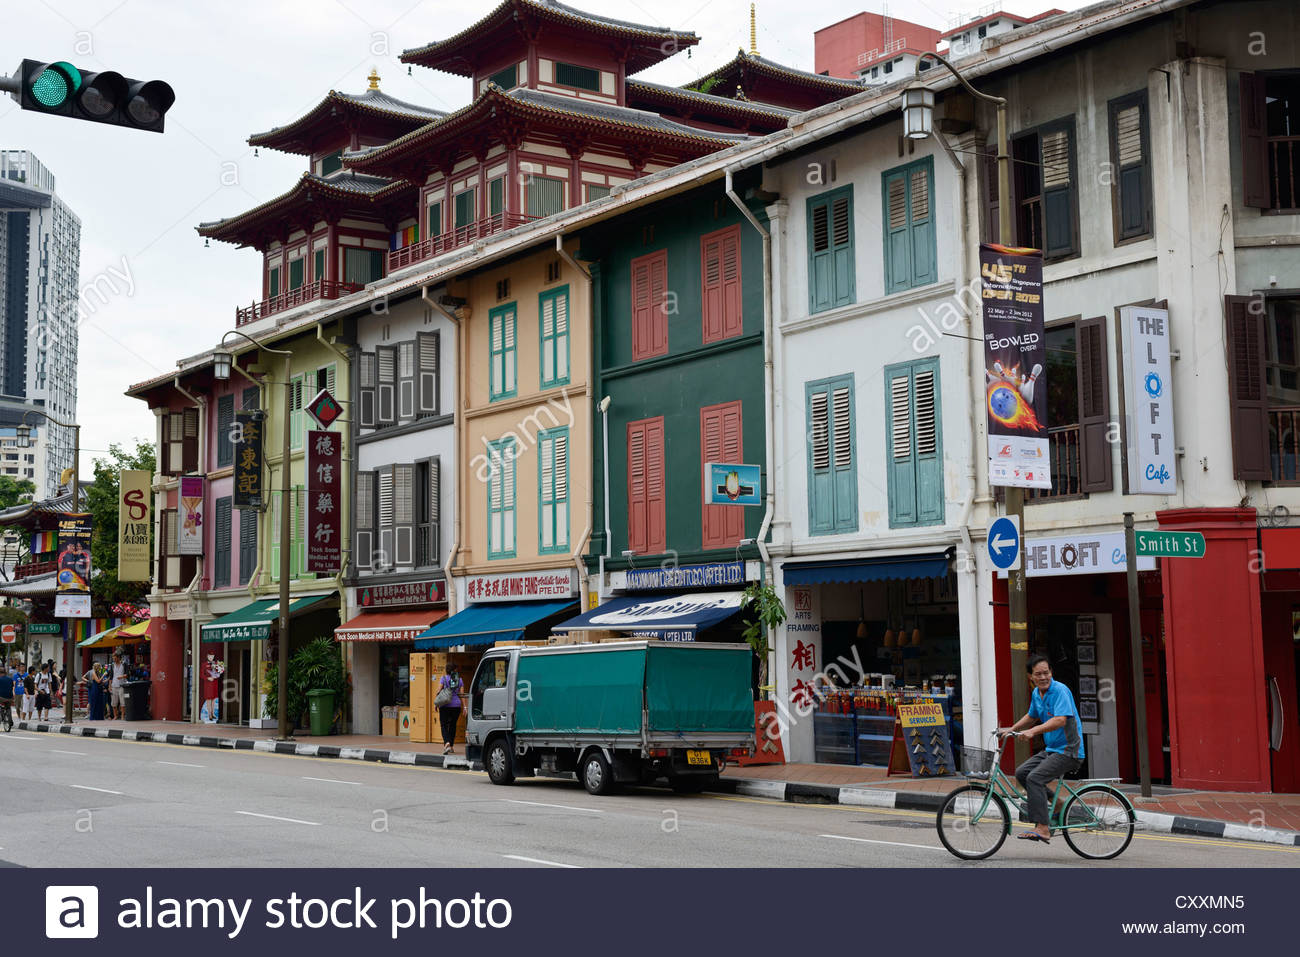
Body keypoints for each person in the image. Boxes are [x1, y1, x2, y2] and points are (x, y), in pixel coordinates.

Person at [1000, 654, 1085, 844]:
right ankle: (1058, 805)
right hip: (1053, 749)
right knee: (1022, 773)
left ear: (1051, 672)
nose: (1043, 677)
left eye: (1046, 673)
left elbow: (1060, 720)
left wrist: (1032, 732)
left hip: (1070, 750)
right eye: (1038, 674)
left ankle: (1043, 828)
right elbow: (1031, 715)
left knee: (1035, 778)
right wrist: (1011, 729)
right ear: (1031, 676)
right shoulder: (1037, 693)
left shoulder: (1060, 690)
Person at [437, 664, 464, 756]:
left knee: (444, 725)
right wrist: (465, 707)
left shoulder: (443, 678)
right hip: (456, 706)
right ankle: (451, 746)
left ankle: (447, 743)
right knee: (453, 725)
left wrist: (437, 703)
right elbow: (462, 695)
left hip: (444, 705)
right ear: (454, 670)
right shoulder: (459, 680)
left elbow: (439, 691)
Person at [109, 651, 128, 721]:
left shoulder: (124, 664)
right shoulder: (112, 665)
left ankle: (123, 715)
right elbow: (110, 676)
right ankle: (115, 716)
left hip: (122, 685)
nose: (114, 659)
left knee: (123, 702)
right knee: (114, 703)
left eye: (115, 657)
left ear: (119, 658)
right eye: (113, 657)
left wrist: (122, 676)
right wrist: (109, 686)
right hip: (114, 685)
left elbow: (127, 674)